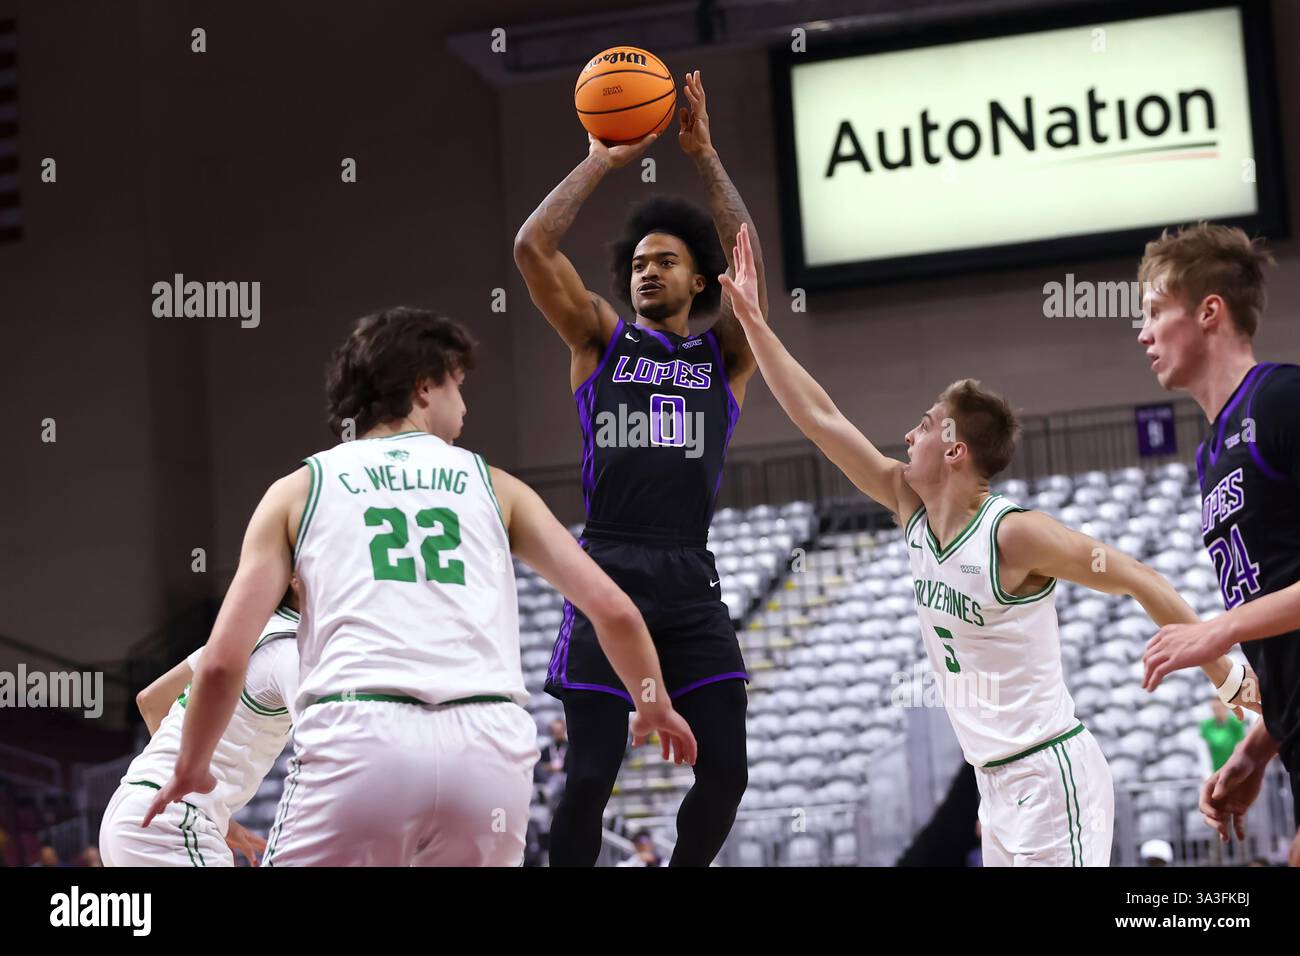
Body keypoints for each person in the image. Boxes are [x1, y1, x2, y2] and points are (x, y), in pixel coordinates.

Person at [719, 223, 1252, 867]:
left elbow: (1136, 575)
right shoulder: (908, 504)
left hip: (1051, 776)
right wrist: (752, 321)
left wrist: (1226, 677)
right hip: (994, 785)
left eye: (922, 425)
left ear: (954, 450)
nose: (907, 437)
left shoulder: (1011, 533)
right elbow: (819, 417)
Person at [143, 307, 694, 867]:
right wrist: (652, 702)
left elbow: (219, 663)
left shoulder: (296, 490)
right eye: (458, 385)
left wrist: (192, 764)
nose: (466, 403)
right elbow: (615, 610)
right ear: (424, 386)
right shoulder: (495, 485)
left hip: (362, 738)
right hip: (488, 747)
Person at [514, 72, 764, 866]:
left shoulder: (722, 356)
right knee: (589, 778)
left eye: (667, 262)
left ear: (701, 280)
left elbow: (751, 266)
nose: (647, 272)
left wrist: (705, 155)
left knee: (727, 773)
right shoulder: (600, 340)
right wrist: (599, 159)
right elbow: (530, 249)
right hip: (608, 566)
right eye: (639, 264)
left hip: (690, 576)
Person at [1135, 224, 1300, 860]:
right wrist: (1257, 750)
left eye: (1154, 312)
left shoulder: (1284, 399)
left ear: (1209, 312)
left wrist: (1217, 630)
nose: (1143, 334)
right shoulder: (1209, 456)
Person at [100, 597, 299, 867]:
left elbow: (151, 700)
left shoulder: (239, 637)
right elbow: (328, 749)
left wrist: (219, 816)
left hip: (131, 809)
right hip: (170, 823)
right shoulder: (290, 651)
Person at [1201, 698, 1247, 774]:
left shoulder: (1235, 723)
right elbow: (1203, 749)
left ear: (1226, 707)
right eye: (1213, 709)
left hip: (1234, 766)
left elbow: (1241, 745)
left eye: (1218, 708)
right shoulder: (1206, 725)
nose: (1215, 711)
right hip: (1215, 769)